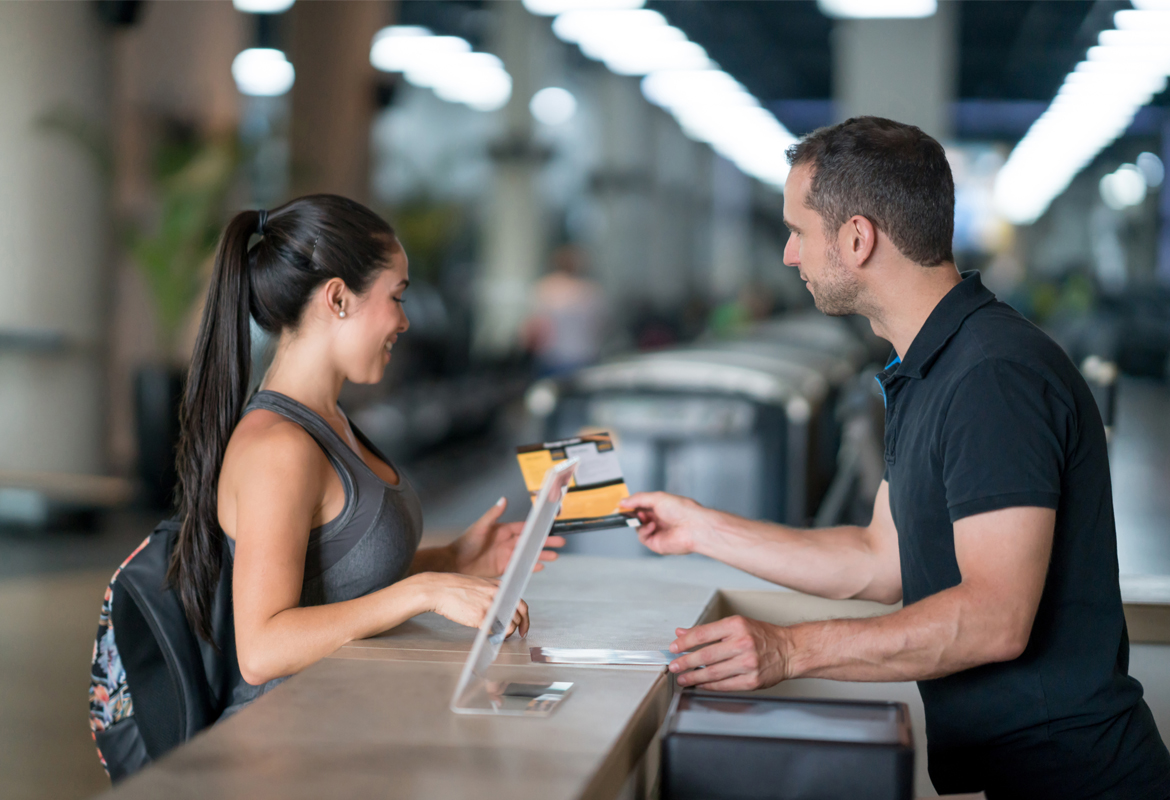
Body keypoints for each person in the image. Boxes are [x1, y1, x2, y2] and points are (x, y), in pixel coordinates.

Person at [620, 118, 1170, 799]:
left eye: (799, 232)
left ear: (856, 239)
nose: (790, 256)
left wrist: (789, 650)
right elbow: (880, 562)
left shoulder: (992, 377)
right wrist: (704, 529)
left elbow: (996, 617)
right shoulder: (928, 369)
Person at [171, 194, 562, 715]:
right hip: (287, 745)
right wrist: (423, 590)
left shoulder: (330, 422)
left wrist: (451, 561)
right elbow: (263, 650)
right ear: (337, 299)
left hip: (349, 719)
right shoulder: (279, 448)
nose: (403, 322)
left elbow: (330, 584)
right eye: (396, 297)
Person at [522, 243, 607, 376]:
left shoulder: (546, 288)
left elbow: (536, 328)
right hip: (583, 354)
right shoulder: (591, 291)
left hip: (555, 356)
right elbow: (600, 327)